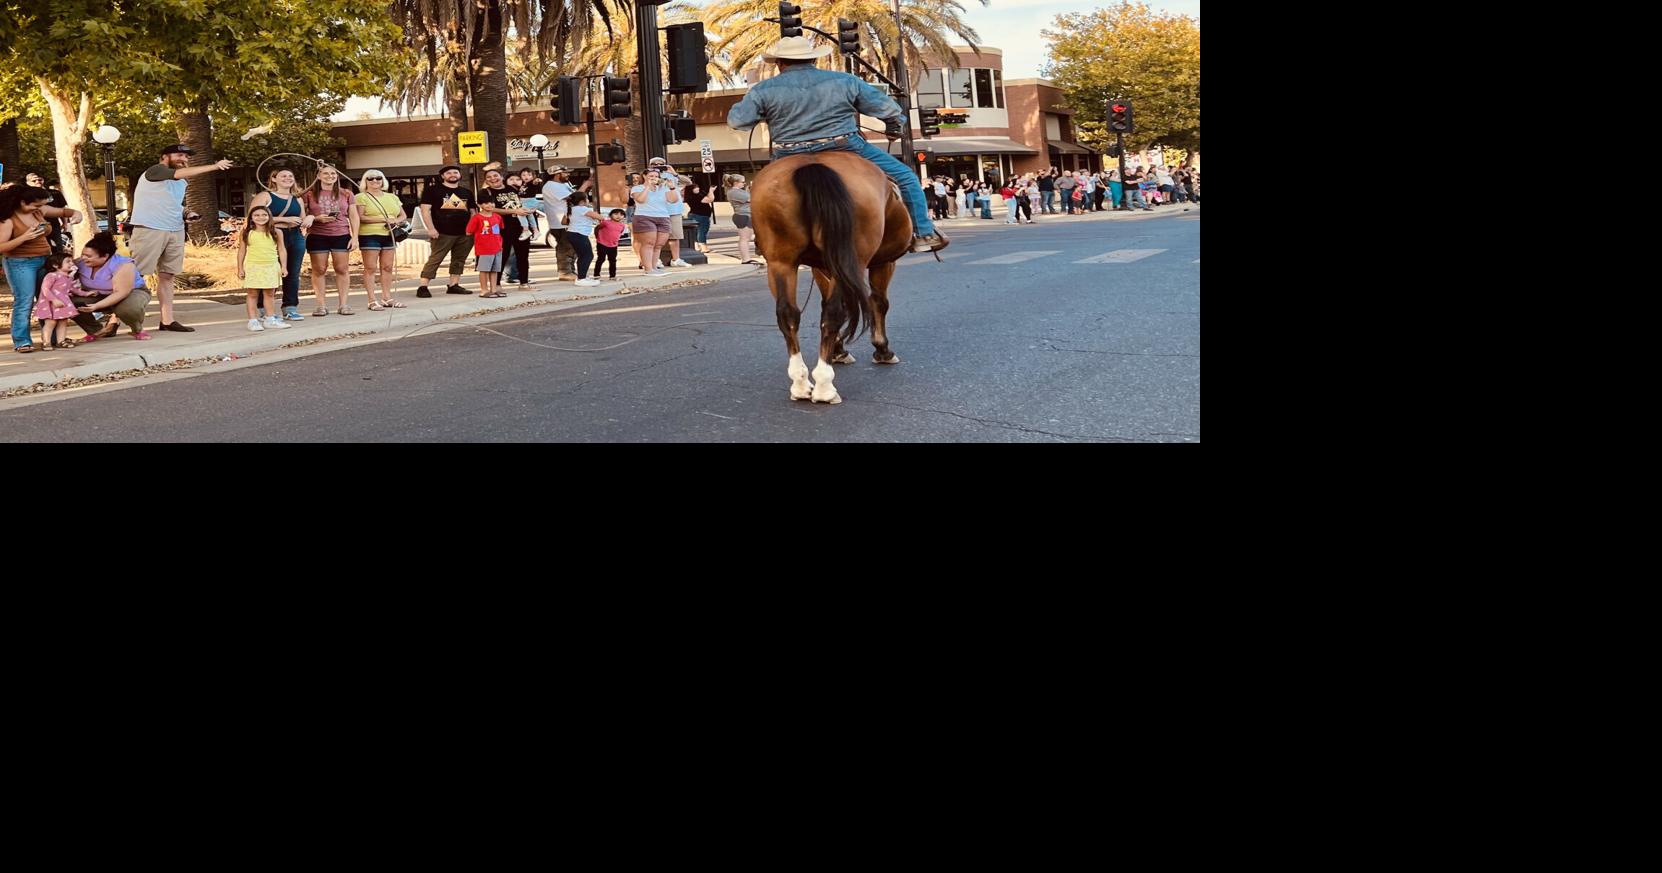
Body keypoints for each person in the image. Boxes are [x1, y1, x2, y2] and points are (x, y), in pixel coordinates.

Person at [727, 35, 948, 253]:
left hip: (788, 152)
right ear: (813, 59)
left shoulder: (763, 90)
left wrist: (764, 111)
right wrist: (894, 124)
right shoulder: (845, 81)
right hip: (845, 145)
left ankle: (763, 241)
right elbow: (888, 109)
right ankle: (923, 233)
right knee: (906, 177)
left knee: (760, 191)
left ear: (780, 63)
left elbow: (737, 121)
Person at [129, 144, 234, 332]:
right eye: (179, 155)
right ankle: (113, 321)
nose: (184, 159)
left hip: (175, 230)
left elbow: (173, 203)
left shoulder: (180, 182)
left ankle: (167, 321)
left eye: (186, 157)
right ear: (165, 156)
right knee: (136, 275)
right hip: (150, 229)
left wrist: (187, 213)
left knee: (167, 275)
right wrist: (215, 166)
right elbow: (177, 174)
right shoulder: (155, 171)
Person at [248, 167, 309, 320]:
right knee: (270, 271)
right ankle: (263, 308)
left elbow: (302, 218)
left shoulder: (297, 199)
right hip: (272, 236)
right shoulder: (265, 196)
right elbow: (253, 216)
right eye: (283, 176)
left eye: (290, 176)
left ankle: (290, 307)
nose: (287, 178)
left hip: (295, 235)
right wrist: (284, 219)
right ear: (274, 179)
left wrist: (310, 218)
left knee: (293, 273)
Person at [70, 232, 151, 342]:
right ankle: (96, 331)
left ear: (105, 256)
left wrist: (96, 306)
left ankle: (137, 329)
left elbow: (121, 292)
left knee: (128, 308)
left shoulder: (123, 264)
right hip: (98, 294)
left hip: (130, 292)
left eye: (88, 256)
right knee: (68, 302)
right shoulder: (80, 263)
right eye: (83, 254)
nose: (83, 258)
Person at [416, 164, 478, 296]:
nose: (452, 175)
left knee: (459, 259)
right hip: (441, 232)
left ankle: (453, 285)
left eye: (455, 172)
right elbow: (425, 210)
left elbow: (473, 212)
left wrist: (471, 229)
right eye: (449, 173)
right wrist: (431, 229)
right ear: (443, 176)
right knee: (435, 259)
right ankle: (423, 286)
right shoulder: (432, 190)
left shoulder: (466, 192)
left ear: (459, 175)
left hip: (464, 233)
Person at [355, 169, 408, 310]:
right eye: (370, 178)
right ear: (365, 181)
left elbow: (403, 215)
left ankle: (387, 297)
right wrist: (383, 219)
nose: (375, 181)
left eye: (378, 178)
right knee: (370, 268)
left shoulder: (392, 197)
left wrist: (395, 221)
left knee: (387, 267)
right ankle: (372, 300)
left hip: (390, 234)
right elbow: (360, 217)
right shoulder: (361, 197)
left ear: (383, 180)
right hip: (370, 234)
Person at [237, 205, 291, 332]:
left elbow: (282, 249)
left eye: (264, 215)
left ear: (269, 216)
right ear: (251, 218)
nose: (260, 217)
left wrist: (284, 267)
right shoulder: (246, 232)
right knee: (252, 294)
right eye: (256, 215)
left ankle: (270, 319)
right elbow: (242, 251)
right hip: (253, 266)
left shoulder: (276, 232)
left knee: (269, 294)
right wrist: (240, 268)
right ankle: (253, 321)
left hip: (271, 266)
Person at [631, 167, 679, 278]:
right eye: (651, 176)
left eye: (656, 176)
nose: (654, 178)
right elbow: (640, 200)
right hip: (644, 217)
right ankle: (648, 269)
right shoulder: (637, 188)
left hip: (663, 217)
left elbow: (673, 200)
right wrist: (647, 187)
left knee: (659, 244)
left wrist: (672, 187)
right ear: (644, 176)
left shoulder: (663, 188)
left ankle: (654, 267)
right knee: (648, 243)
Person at [34, 252, 82, 350]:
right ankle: (46, 342)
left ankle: (61, 341)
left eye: (71, 261)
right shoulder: (51, 275)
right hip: (50, 303)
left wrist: (87, 294)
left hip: (62, 303)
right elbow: (45, 289)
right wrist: (54, 300)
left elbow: (72, 289)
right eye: (68, 261)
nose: (71, 263)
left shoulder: (68, 277)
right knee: (50, 322)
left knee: (63, 322)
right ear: (55, 265)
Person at [465, 205, 506, 298]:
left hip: (497, 247)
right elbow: (468, 231)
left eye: (491, 202)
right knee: (484, 270)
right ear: (480, 205)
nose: (489, 205)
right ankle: (484, 290)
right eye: (486, 203)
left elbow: (498, 230)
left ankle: (494, 289)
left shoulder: (497, 217)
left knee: (494, 270)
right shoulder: (477, 217)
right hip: (484, 248)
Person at [565, 191, 600, 287]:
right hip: (579, 234)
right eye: (587, 198)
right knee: (588, 256)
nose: (588, 200)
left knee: (582, 256)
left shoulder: (570, 209)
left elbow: (564, 221)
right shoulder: (583, 209)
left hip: (572, 233)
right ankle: (581, 279)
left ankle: (582, 276)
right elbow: (599, 217)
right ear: (582, 201)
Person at [724, 174, 758, 264]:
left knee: (747, 238)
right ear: (736, 182)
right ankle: (745, 259)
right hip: (743, 216)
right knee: (744, 238)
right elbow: (753, 199)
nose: (744, 183)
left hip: (746, 215)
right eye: (742, 182)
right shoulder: (734, 192)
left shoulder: (738, 191)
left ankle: (747, 258)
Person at [594, 208, 625, 280]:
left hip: (613, 245)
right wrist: (597, 237)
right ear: (610, 215)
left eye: (621, 214)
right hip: (602, 244)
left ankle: (612, 276)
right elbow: (597, 228)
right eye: (616, 214)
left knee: (613, 260)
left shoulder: (622, 226)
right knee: (601, 259)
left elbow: (619, 233)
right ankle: (596, 274)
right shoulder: (606, 222)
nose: (618, 216)